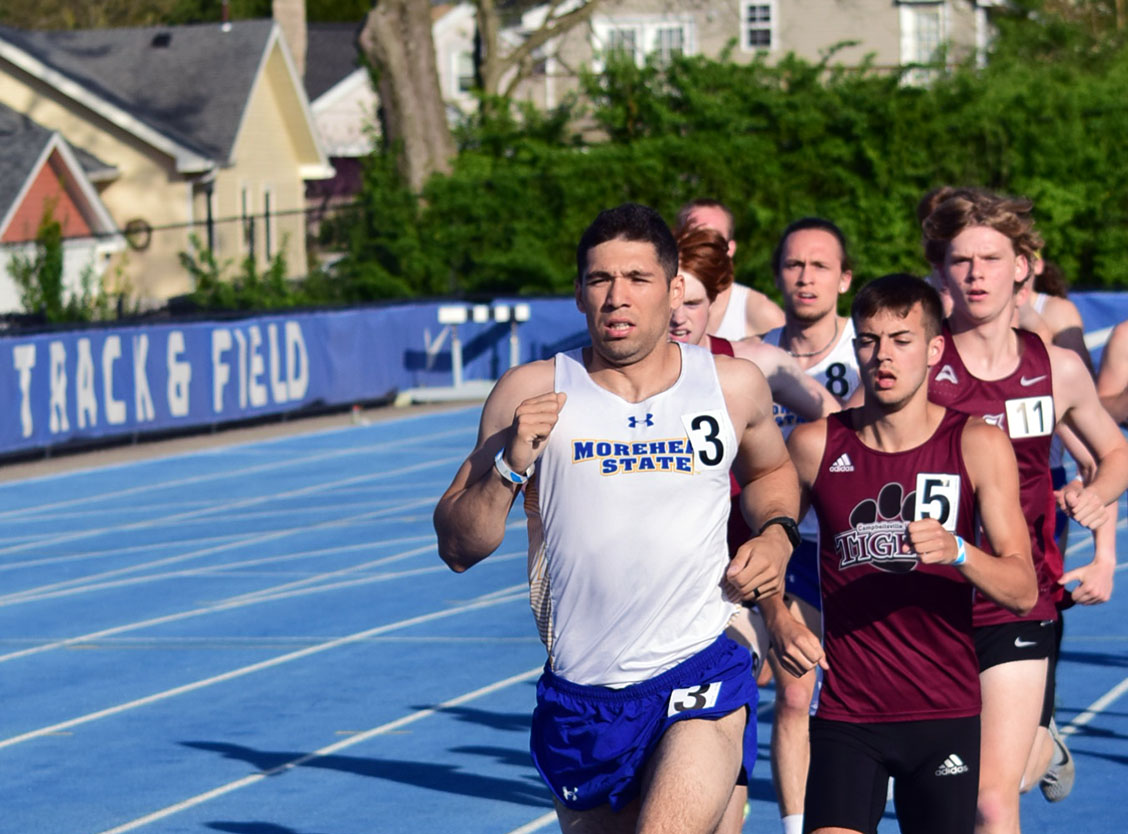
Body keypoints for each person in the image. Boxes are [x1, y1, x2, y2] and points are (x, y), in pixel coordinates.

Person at [434, 203, 801, 834]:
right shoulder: (531, 391)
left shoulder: (731, 386)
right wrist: (510, 467)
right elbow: (457, 547)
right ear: (579, 293)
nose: (617, 297)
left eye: (637, 278)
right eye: (600, 279)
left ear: (674, 288)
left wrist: (777, 535)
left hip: (700, 667)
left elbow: (772, 473)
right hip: (584, 694)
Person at [764, 273, 1038, 834]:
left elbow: (1022, 590)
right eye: (868, 340)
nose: (882, 355)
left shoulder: (977, 444)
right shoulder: (816, 444)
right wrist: (777, 619)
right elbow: (765, 543)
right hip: (848, 711)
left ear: (935, 349)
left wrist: (959, 550)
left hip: (943, 710)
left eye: (901, 340)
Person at [921, 189, 1128, 833]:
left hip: (1019, 596)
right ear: (941, 271)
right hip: (926, 599)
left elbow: (1115, 452)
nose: (976, 273)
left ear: (1021, 267)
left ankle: (1034, 734)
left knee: (991, 798)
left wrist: (1099, 497)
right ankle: (1040, 740)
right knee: (938, 790)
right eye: (962, 260)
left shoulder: (1056, 368)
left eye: (991, 258)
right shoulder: (919, 364)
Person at [758, 216, 862, 834]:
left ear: (844, 279)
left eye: (820, 265)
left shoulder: (870, 348)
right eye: (794, 265)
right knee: (795, 693)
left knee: (867, 697)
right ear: (778, 275)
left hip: (862, 545)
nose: (806, 277)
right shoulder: (754, 357)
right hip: (792, 546)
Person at [675, 198, 786, 338]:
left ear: (730, 249)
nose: (702, 246)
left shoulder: (759, 312)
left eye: (712, 239)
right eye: (694, 236)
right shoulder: (659, 301)